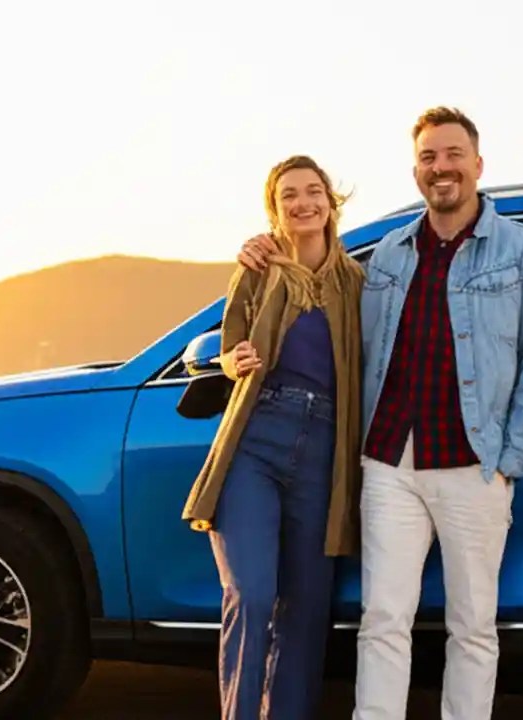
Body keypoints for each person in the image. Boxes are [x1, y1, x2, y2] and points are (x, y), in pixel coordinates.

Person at [236, 107, 523, 720]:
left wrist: (509, 460)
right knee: (383, 618)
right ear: (416, 170)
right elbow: (320, 295)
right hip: (388, 464)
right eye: (428, 158)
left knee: (472, 626)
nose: (441, 168)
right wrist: (266, 246)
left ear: (477, 164)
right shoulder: (388, 256)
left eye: (452, 155)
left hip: (475, 463)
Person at [182, 155, 366, 720]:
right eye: (289, 194)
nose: (303, 202)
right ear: (275, 208)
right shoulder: (257, 269)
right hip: (255, 442)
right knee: (253, 594)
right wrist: (231, 360)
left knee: (307, 611)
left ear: (331, 202)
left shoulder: (358, 284)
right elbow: (227, 347)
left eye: (314, 191)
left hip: (324, 453)